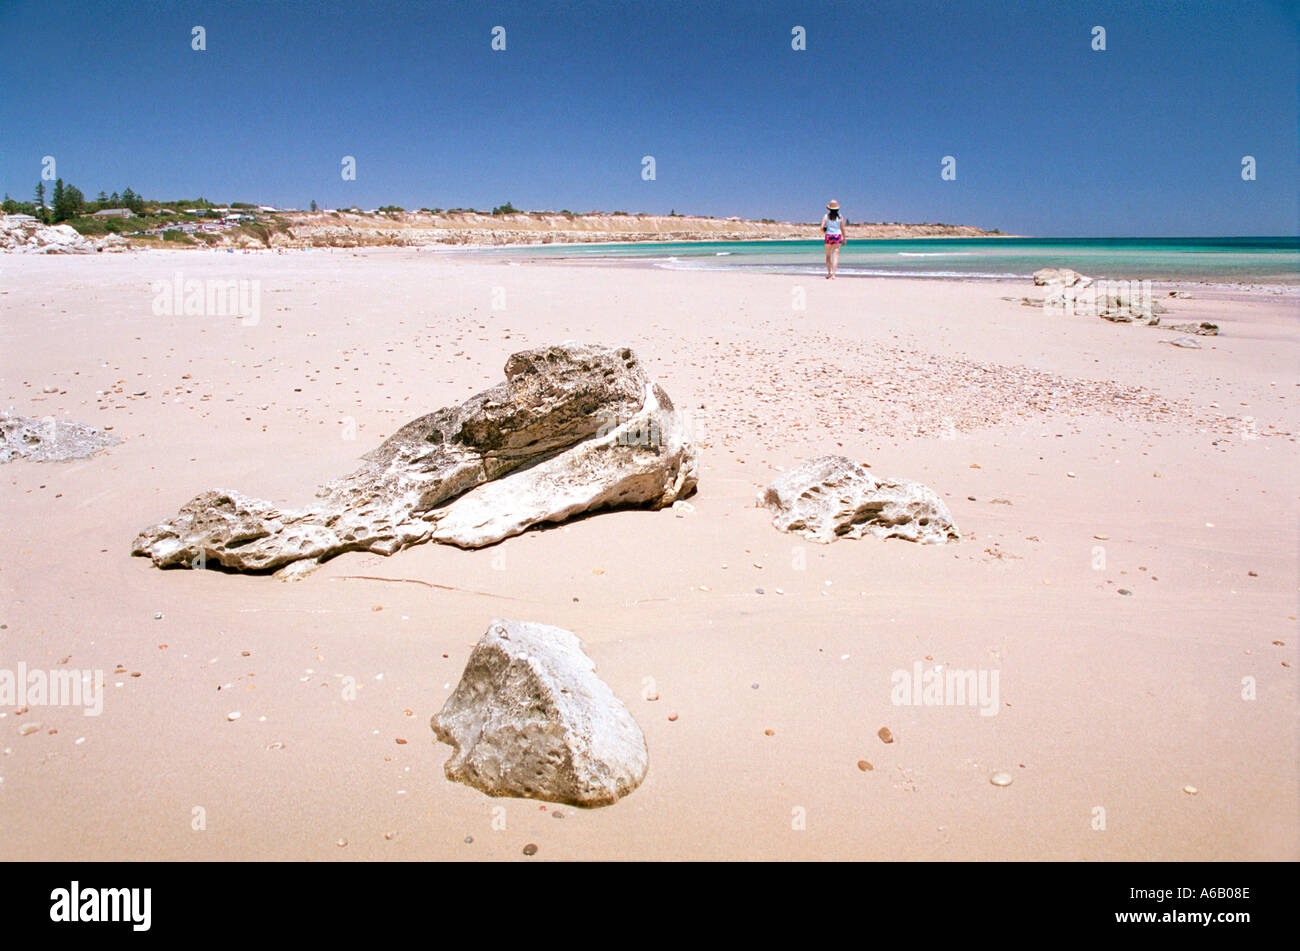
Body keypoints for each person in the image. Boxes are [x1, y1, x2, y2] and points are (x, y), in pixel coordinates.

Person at [821, 200, 846, 279]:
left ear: (829, 209)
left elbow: (821, 228)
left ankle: (829, 273)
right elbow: (842, 228)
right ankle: (834, 274)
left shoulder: (826, 216)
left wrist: (825, 232)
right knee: (835, 256)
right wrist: (844, 238)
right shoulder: (840, 217)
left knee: (828, 255)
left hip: (828, 236)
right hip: (837, 236)